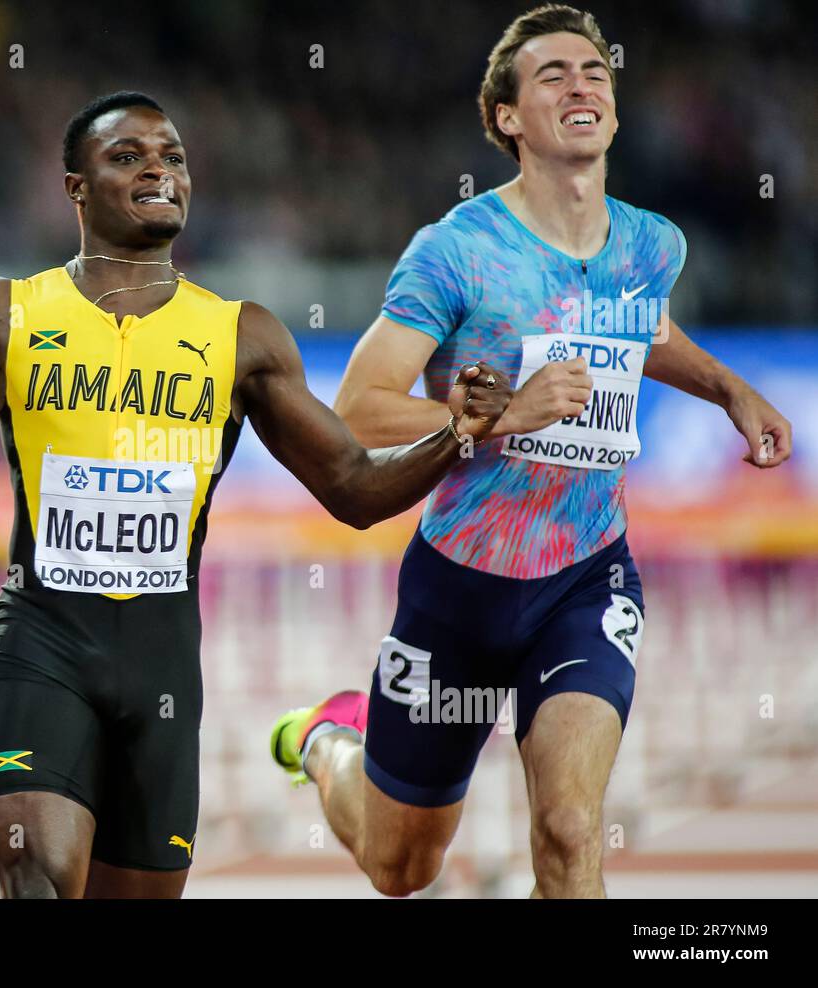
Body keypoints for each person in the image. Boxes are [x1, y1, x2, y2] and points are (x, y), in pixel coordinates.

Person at [0, 90, 511, 898]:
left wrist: (455, 434)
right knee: (37, 875)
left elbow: (353, 488)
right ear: (76, 188)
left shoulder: (241, 336)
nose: (158, 169)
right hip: (40, 653)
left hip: (163, 677)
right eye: (128, 156)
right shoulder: (1, 314)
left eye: (172, 157)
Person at [269, 4, 792, 898]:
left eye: (596, 73)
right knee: (401, 867)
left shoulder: (652, 245)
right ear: (508, 119)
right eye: (552, 75)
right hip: (458, 589)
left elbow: (641, 330)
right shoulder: (457, 252)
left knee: (568, 826)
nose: (581, 84)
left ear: (615, 111)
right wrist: (499, 416)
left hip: (586, 579)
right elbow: (358, 408)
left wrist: (728, 388)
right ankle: (328, 739)